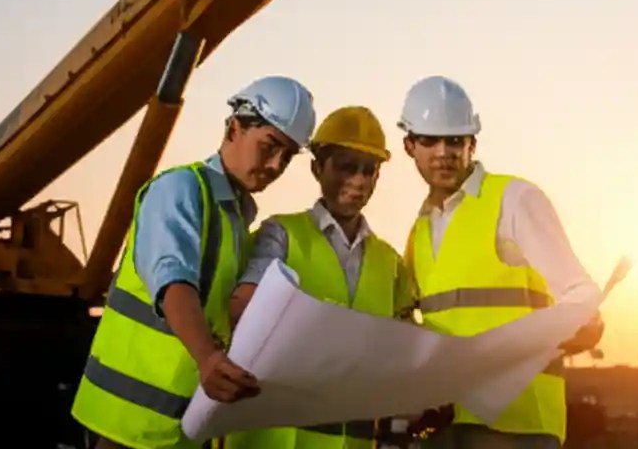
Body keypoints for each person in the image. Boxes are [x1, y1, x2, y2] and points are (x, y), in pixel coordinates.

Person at [71, 76, 317, 449]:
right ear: (234, 129)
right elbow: (173, 282)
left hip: (177, 425)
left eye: (287, 156)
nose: (275, 165)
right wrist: (208, 358)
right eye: (269, 147)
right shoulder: (180, 189)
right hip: (127, 422)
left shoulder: (234, 216)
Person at [396, 76, 605, 449]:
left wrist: (572, 324)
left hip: (517, 424)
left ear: (472, 144)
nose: (444, 152)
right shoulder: (420, 230)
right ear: (409, 145)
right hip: (446, 425)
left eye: (455, 140)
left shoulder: (514, 200)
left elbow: (581, 297)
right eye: (430, 140)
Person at [225, 105, 417, 449]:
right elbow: (242, 312)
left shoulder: (390, 263)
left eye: (369, 170)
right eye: (346, 166)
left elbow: (406, 349)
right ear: (317, 168)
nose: (358, 181)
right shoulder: (280, 235)